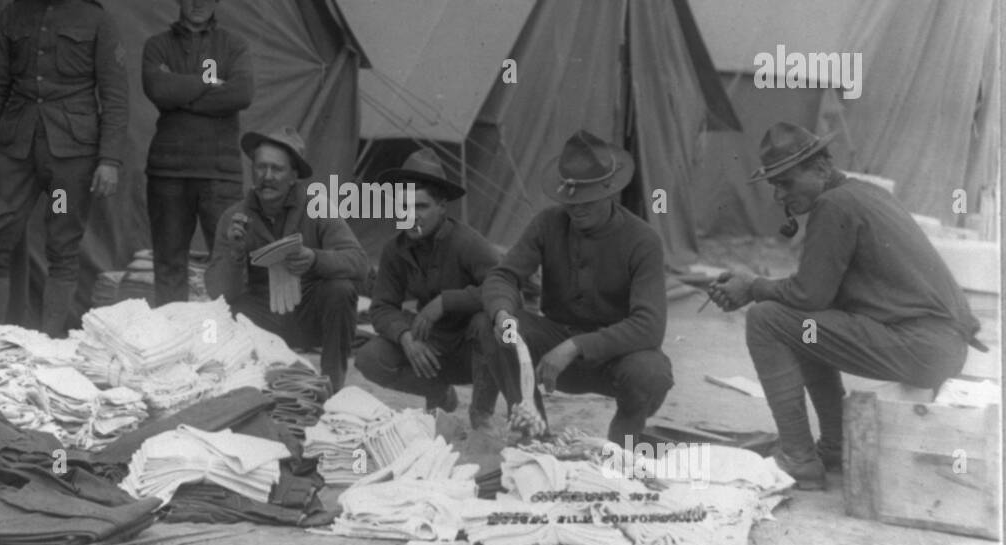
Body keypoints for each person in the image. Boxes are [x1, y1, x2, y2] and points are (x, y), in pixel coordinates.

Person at [707, 122, 983, 489]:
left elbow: (809, 295)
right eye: (775, 185)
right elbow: (818, 297)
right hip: (938, 344)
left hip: (923, 346)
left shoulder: (833, 204)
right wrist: (760, 286)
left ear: (821, 169)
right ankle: (836, 447)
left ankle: (798, 457)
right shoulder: (862, 194)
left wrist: (752, 287)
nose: (779, 196)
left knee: (765, 319)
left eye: (786, 182)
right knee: (797, 324)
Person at [0, 0, 128, 336]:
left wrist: (109, 159)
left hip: (69, 159)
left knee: (62, 244)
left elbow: (114, 95)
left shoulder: (96, 20)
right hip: (15, 151)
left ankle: (51, 345)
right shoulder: (13, 16)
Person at [470, 130, 674, 443]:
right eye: (569, 198)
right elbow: (503, 276)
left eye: (586, 198)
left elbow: (649, 327)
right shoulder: (547, 223)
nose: (576, 207)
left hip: (612, 358)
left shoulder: (643, 240)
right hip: (551, 345)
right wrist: (502, 313)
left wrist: (577, 347)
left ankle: (623, 443)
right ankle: (534, 434)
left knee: (651, 372)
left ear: (611, 190)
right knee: (490, 325)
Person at [205, 127, 368, 392]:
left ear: (294, 176)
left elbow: (359, 263)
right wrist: (235, 254)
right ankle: (239, 387)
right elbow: (218, 293)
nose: (267, 177)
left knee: (341, 290)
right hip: (262, 316)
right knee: (213, 317)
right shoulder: (234, 217)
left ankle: (332, 387)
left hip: (309, 314)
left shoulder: (318, 206)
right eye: (260, 167)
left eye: (277, 169)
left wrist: (314, 259)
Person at [142, 0, 254, 304]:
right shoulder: (157, 46)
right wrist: (209, 84)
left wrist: (181, 90)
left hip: (220, 173)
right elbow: (158, 89)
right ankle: (171, 350)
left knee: (229, 261)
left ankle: (232, 349)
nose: (197, 2)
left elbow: (242, 93)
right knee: (169, 264)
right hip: (168, 172)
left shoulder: (234, 47)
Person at [354, 149, 500, 416]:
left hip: (474, 350)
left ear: (442, 207)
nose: (411, 216)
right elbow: (382, 307)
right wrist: (406, 336)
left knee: (487, 324)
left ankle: (482, 414)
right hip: (430, 345)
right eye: (404, 207)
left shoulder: (467, 242)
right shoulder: (394, 250)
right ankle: (438, 393)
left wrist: (447, 302)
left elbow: (506, 291)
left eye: (421, 206)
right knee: (369, 359)